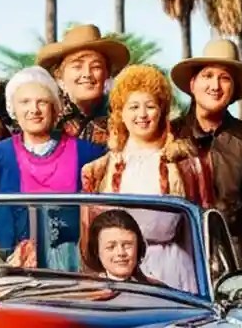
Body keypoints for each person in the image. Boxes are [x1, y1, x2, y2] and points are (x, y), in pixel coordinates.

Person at [0, 24, 128, 170]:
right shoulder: (30, 107)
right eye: (77, 66)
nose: (87, 74)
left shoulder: (124, 115)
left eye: (96, 66)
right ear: (59, 74)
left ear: (107, 73)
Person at [80, 64, 210, 291]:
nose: (142, 115)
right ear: (121, 113)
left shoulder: (184, 164)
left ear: (161, 111)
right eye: (133, 107)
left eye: (150, 106)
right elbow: (89, 233)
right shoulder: (99, 169)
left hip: (170, 268)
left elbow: (202, 229)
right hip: (115, 268)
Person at [0, 66, 107, 271]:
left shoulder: (87, 153)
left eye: (42, 102)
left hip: (74, 267)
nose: (34, 110)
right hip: (11, 268)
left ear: (55, 108)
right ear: (13, 109)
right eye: (24, 102)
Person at [171, 39, 242, 281]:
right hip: (174, 267)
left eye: (225, 78)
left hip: (231, 269)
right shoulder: (169, 134)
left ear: (234, 90)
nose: (215, 86)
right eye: (207, 76)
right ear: (193, 84)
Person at [83, 209, 156, 284]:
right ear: (96, 251)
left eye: (127, 245)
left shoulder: (156, 289)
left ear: (138, 247)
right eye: (111, 247)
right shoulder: (85, 289)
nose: (121, 253)